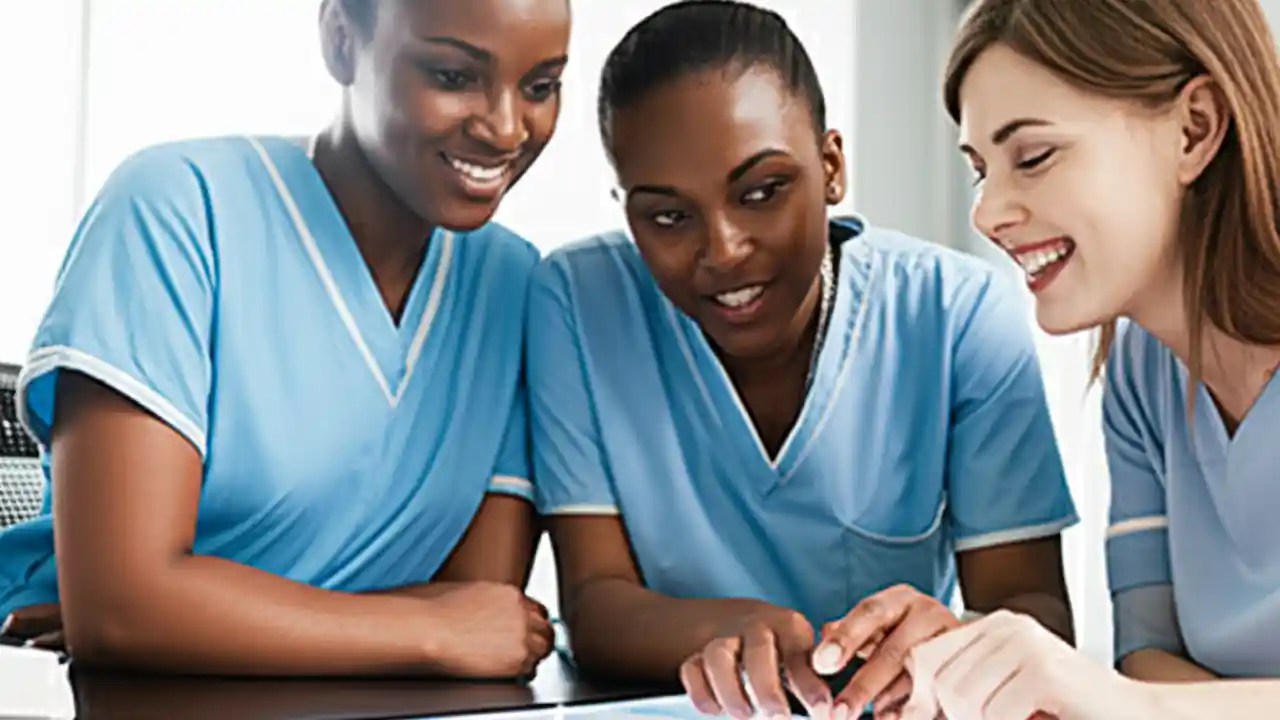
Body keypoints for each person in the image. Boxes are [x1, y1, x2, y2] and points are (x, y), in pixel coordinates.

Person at [527, 2, 1078, 718]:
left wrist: (953, 638)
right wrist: (742, 631)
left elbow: (1033, 612)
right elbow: (596, 605)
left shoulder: (956, 312)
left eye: (761, 192)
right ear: (626, 210)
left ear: (831, 166)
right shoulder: (576, 301)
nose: (722, 249)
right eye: (667, 216)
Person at [0, 0, 570, 677]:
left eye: (540, 86)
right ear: (339, 41)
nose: (507, 127)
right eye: (451, 75)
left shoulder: (514, 285)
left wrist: (193, 616)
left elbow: (482, 616)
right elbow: (124, 611)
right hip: (68, 688)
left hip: (345, 702)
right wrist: (421, 626)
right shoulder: (176, 209)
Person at [895, 0, 1280, 717]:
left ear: (1195, 130)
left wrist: (1121, 702)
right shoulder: (1140, 374)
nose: (986, 212)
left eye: (1033, 157)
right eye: (982, 169)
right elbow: (1150, 662)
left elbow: (1138, 700)